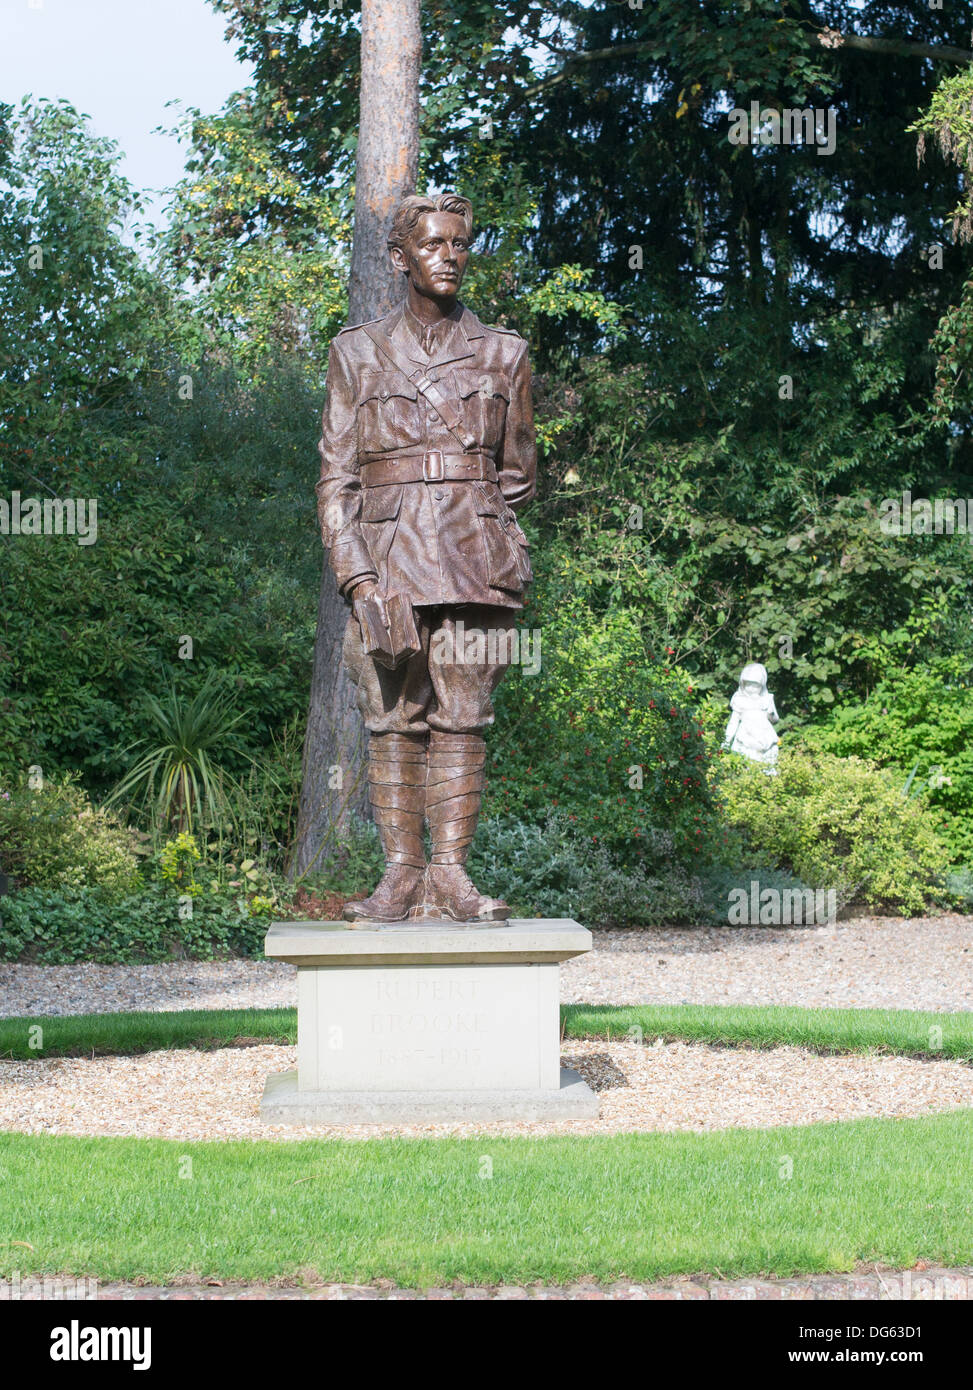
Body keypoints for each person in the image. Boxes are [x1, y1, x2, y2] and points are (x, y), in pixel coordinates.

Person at [316, 192, 536, 922]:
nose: (450, 257)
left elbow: (518, 476)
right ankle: (401, 875)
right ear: (399, 257)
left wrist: (467, 518)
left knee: (464, 718)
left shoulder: (505, 353)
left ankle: (451, 874)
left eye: (460, 244)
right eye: (435, 244)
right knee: (390, 721)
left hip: (475, 561)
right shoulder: (355, 352)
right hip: (385, 565)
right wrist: (356, 575)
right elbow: (335, 478)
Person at [724, 662, 780, 768]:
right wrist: (727, 739)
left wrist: (771, 713)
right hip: (746, 735)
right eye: (748, 685)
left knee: (767, 764)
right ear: (743, 684)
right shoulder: (739, 699)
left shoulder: (767, 699)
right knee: (747, 763)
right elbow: (733, 721)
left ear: (761, 685)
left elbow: (775, 720)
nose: (751, 688)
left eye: (755, 685)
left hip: (764, 735)